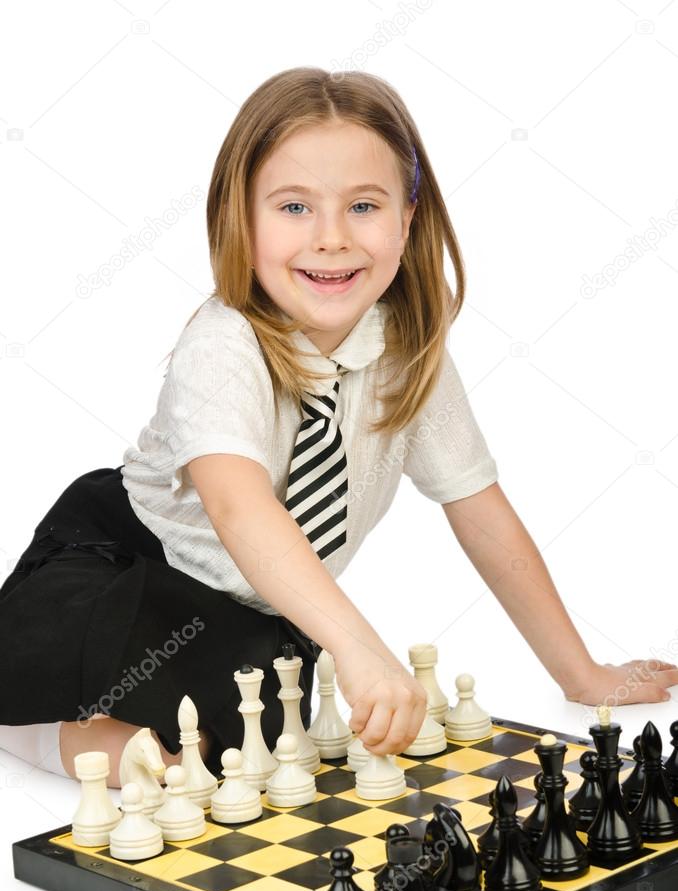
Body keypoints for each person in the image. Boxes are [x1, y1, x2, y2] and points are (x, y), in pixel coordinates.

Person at [1, 67, 675, 787]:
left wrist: (581, 672)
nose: (330, 239)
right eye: (294, 207)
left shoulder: (408, 352)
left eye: (363, 205)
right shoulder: (225, 343)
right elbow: (239, 507)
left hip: (246, 605)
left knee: (262, 726)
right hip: (127, 563)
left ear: (408, 218)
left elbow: (481, 513)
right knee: (106, 676)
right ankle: (51, 733)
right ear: (239, 216)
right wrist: (361, 648)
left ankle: (126, 735)